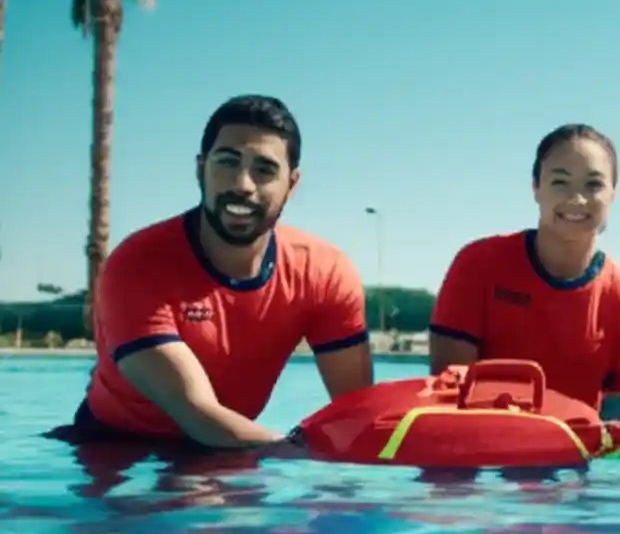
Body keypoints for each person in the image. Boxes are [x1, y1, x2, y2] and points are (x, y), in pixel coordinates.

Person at [46, 94, 374, 455]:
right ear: (201, 169)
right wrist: (299, 453)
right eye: (228, 162)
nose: (243, 184)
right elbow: (196, 411)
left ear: (292, 185)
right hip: (111, 447)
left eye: (264, 170)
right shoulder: (138, 263)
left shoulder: (324, 273)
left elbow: (357, 411)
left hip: (231, 447)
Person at [427, 124, 620, 411]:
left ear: (613, 193)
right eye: (560, 182)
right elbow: (448, 400)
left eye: (593, 184)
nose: (577, 199)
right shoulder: (477, 266)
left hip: (576, 453)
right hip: (480, 448)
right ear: (536, 187)